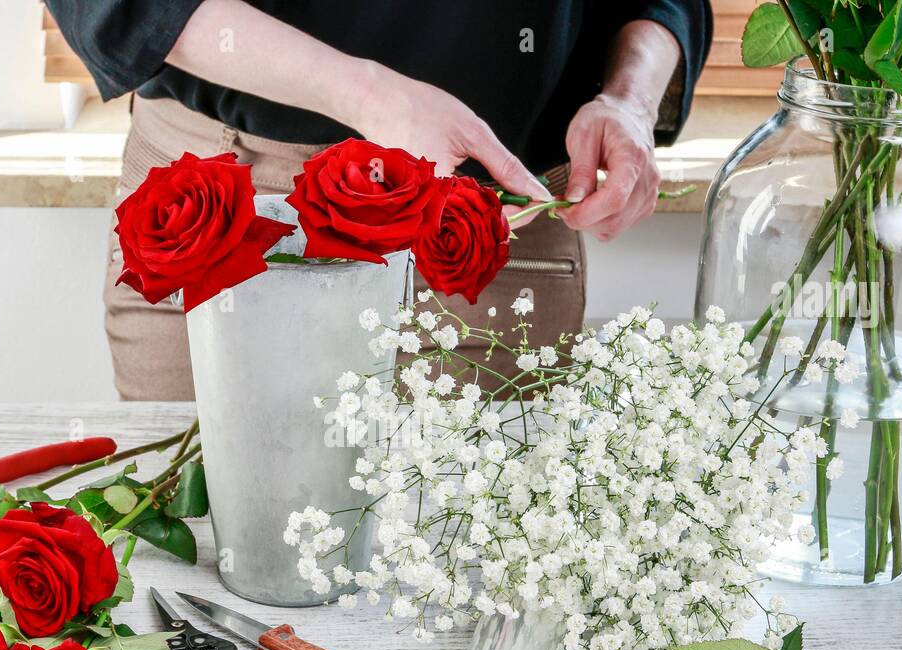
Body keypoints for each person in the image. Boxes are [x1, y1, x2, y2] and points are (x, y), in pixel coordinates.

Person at [47, 0, 712, 400]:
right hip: (223, 204)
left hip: (491, 229)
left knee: (472, 585)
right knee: (194, 571)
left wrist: (631, 97)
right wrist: (363, 92)